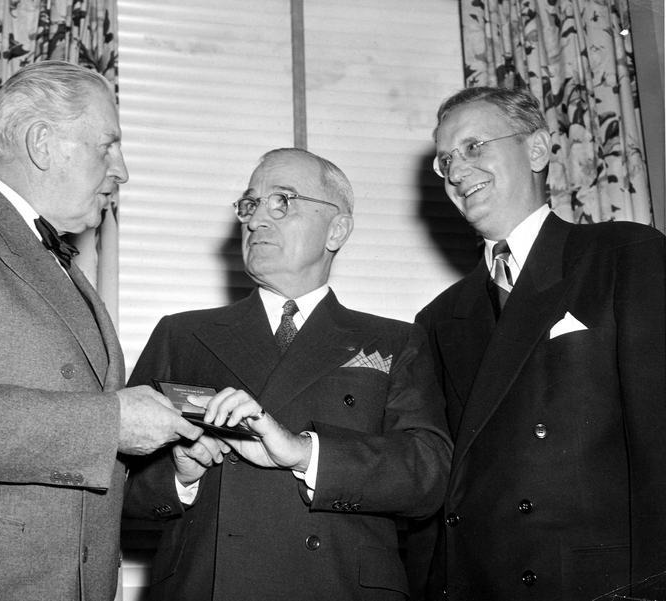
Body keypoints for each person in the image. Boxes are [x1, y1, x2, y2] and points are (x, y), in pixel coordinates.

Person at [0, 60, 202, 601]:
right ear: (43, 143)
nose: (123, 171)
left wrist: (172, 472)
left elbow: (71, 471)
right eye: (107, 146)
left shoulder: (67, 272)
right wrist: (111, 422)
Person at [123, 147, 453, 600]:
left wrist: (304, 453)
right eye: (250, 204)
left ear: (336, 229)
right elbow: (116, 487)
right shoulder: (182, 334)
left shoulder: (396, 341)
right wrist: (180, 473)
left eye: (283, 200)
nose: (257, 219)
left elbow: (428, 476)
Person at [407, 86, 666, 601]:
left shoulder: (625, 255)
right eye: (445, 161)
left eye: (474, 147)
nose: (457, 172)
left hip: (602, 583)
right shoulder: (438, 318)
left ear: (537, 150)